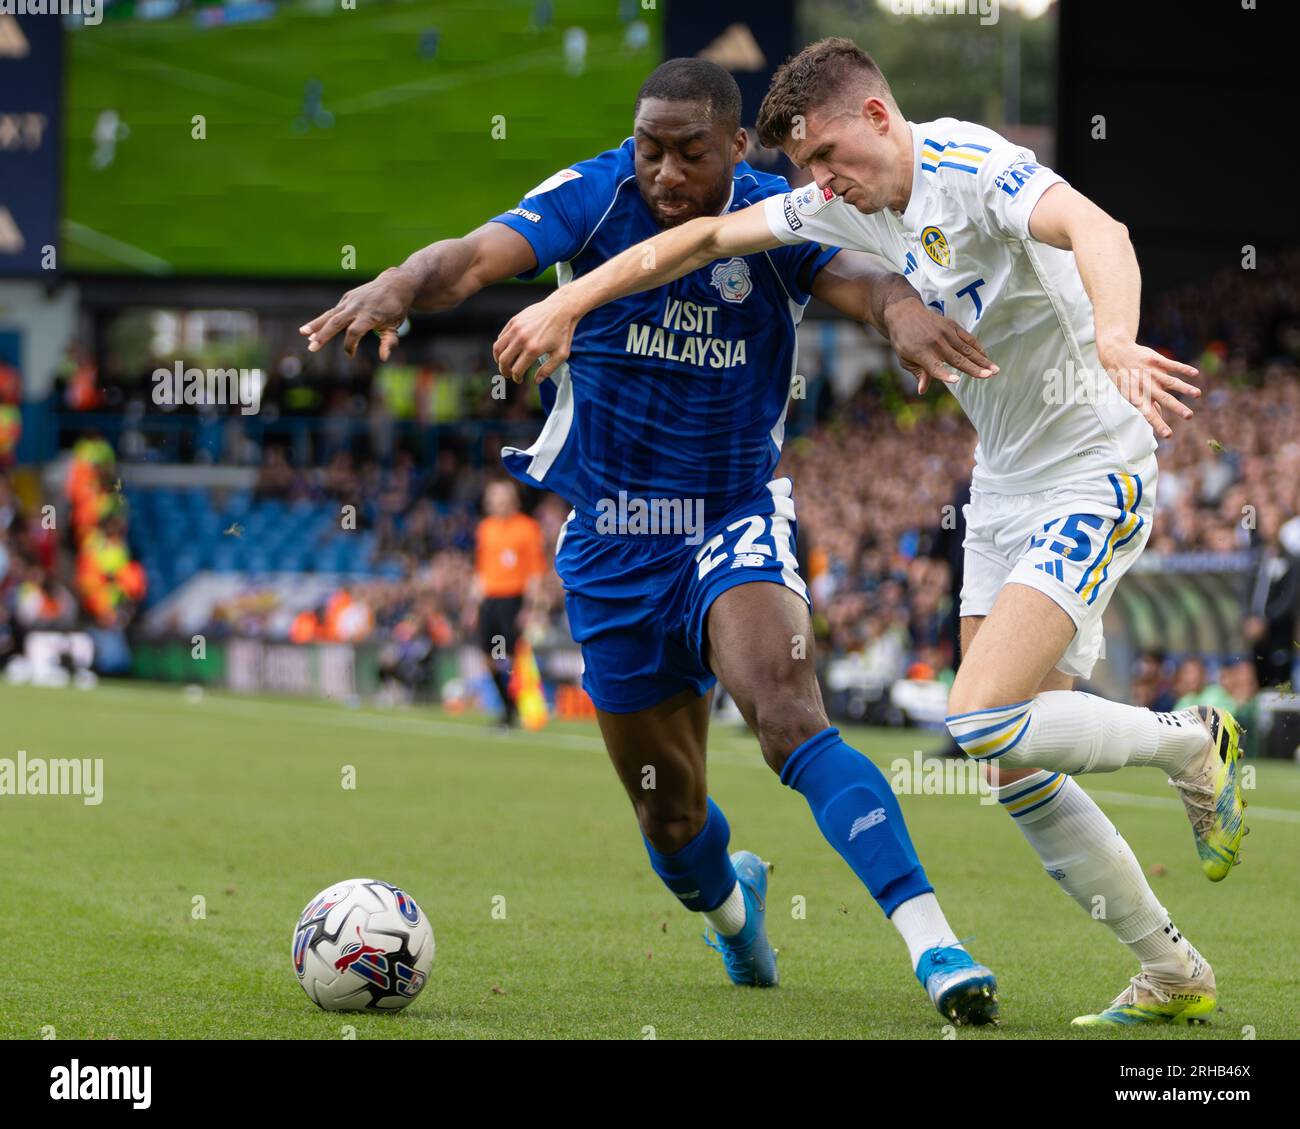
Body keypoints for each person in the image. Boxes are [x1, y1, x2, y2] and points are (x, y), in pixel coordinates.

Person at [493, 40, 1250, 1028]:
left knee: (976, 717)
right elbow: (698, 243)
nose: (817, 185)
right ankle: (1169, 967)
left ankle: (1193, 741)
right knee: (1011, 760)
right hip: (1006, 487)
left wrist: (1114, 335)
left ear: (881, 118)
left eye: (826, 158)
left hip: (1094, 470)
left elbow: (1095, 226)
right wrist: (568, 297)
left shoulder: (972, 169)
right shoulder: (841, 201)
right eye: (805, 169)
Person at [303, 58, 1005, 1025]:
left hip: (733, 516)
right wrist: (393, 282)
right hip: (612, 543)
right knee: (670, 820)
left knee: (788, 711)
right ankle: (730, 907)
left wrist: (904, 317)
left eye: (689, 153)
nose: (666, 174)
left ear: (738, 149)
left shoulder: (775, 213)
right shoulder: (594, 200)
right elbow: (467, 260)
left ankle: (937, 947)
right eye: (650, 150)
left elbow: (867, 278)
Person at [468, 480, 545, 728]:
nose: (495, 503)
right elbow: (481, 570)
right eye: (492, 498)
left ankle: (518, 709)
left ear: (512, 500)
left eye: (500, 498)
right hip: (489, 599)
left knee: (511, 657)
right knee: (487, 656)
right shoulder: (485, 528)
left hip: (513, 599)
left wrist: (529, 608)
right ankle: (507, 705)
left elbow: (535, 573)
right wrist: (472, 605)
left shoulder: (527, 528)